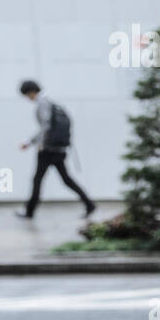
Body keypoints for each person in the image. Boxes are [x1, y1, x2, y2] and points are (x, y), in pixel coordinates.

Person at [15, 80, 96, 219]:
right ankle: (89, 204)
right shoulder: (53, 103)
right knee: (65, 179)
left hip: (47, 149)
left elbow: (46, 125)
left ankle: (29, 211)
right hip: (59, 149)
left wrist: (34, 142)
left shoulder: (42, 104)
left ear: (31, 92)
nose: (27, 98)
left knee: (38, 179)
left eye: (27, 95)